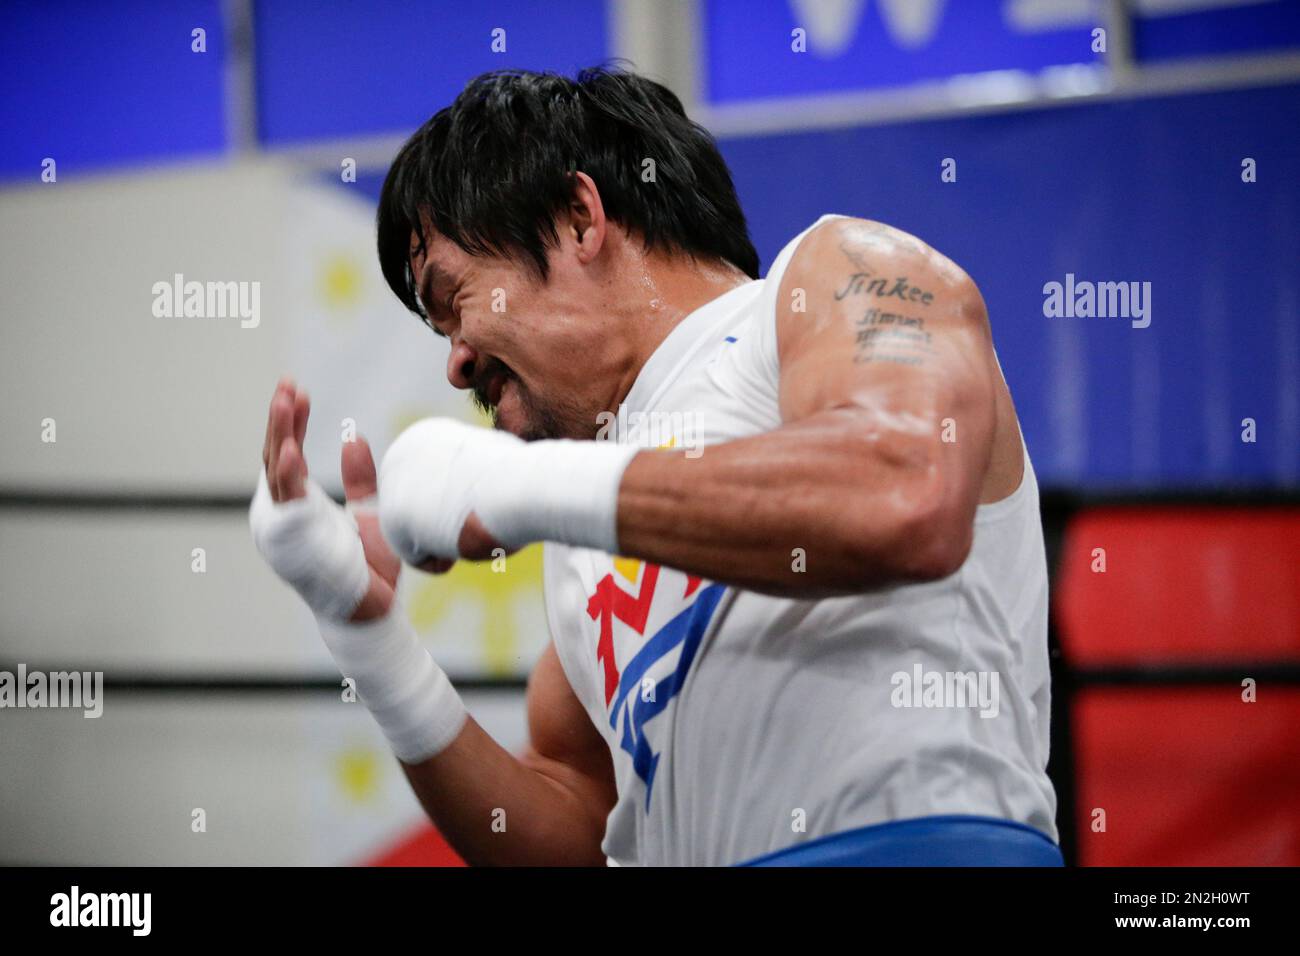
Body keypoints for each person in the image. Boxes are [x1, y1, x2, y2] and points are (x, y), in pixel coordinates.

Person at [250, 67, 1059, 866]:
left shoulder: (828, 280)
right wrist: (372, 645)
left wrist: (512, 486)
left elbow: (903, 492)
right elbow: (576, 826)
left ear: (578, 219)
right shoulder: (578, 527)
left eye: (454, 299)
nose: (456, 365)